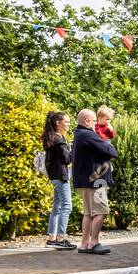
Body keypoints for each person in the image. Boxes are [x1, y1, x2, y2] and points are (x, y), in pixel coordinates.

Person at [72, 108, 117, 255]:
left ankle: (85, 244)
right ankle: (94, 242)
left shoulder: (79, 135)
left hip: (85, 181)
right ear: (86, 121)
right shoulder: (88, 135)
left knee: (88, 213)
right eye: (93, 121)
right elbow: (111, 152)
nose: (96, 123)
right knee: (101, 212)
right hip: (95, 180)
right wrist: (109, 145)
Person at [41, 111, 75, 249]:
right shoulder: (59, 140)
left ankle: (51, 239)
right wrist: (74, 150)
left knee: (57, 207)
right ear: (58, 123)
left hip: (54, 176)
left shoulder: (53, 137)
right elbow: (67, 160)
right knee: (67, 206)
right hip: (60, 176)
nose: (68, 124)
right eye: (66, 122)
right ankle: (61, 239)